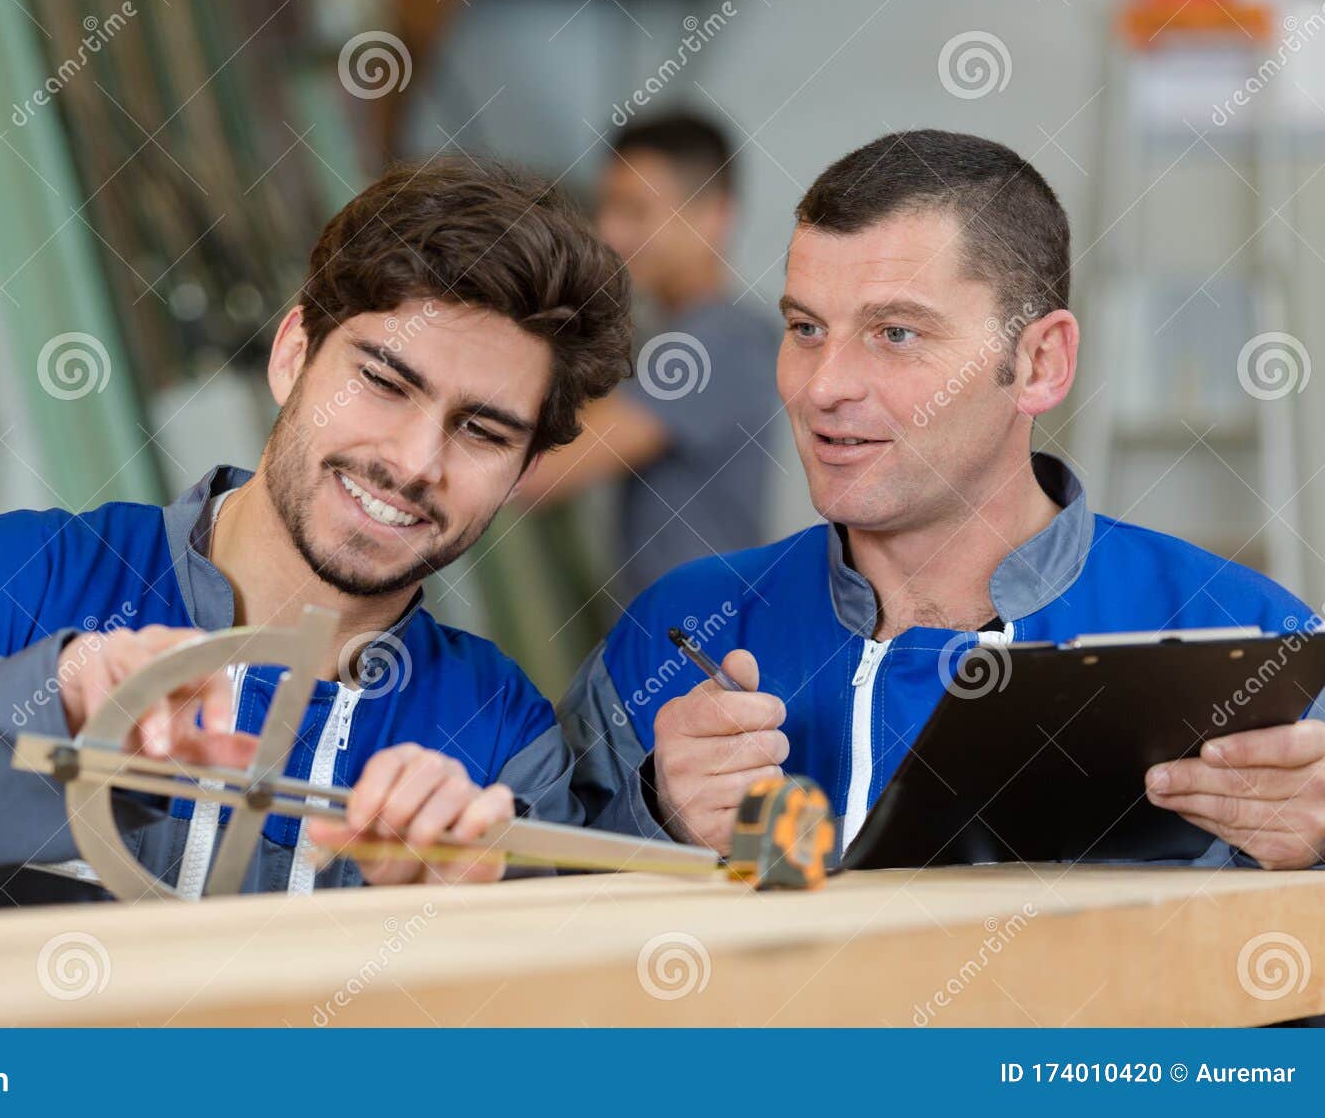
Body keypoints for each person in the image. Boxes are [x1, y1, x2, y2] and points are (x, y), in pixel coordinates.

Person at [0, 157, 632, 918]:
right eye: (385, 382)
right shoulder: (8, 583)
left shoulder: (501, 744)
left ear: (523, 470)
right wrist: (43, 705)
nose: (413, 460)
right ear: (291, 356)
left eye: (482, 431)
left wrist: (467, 934)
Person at [560, 130, 1325, 875]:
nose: (825, 386)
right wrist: (654, 819)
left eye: (894, 333)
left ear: (1039, 363)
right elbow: (532, 931)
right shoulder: (680, 634)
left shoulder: (1252, 644)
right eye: (806, 329)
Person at [516, 114, 782, 599]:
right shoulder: (677, 337)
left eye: (635, 211)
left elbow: (541, 475)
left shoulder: (720, 341)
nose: (610, 233)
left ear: (714, 214)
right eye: (608, 210)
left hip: (700, 648)